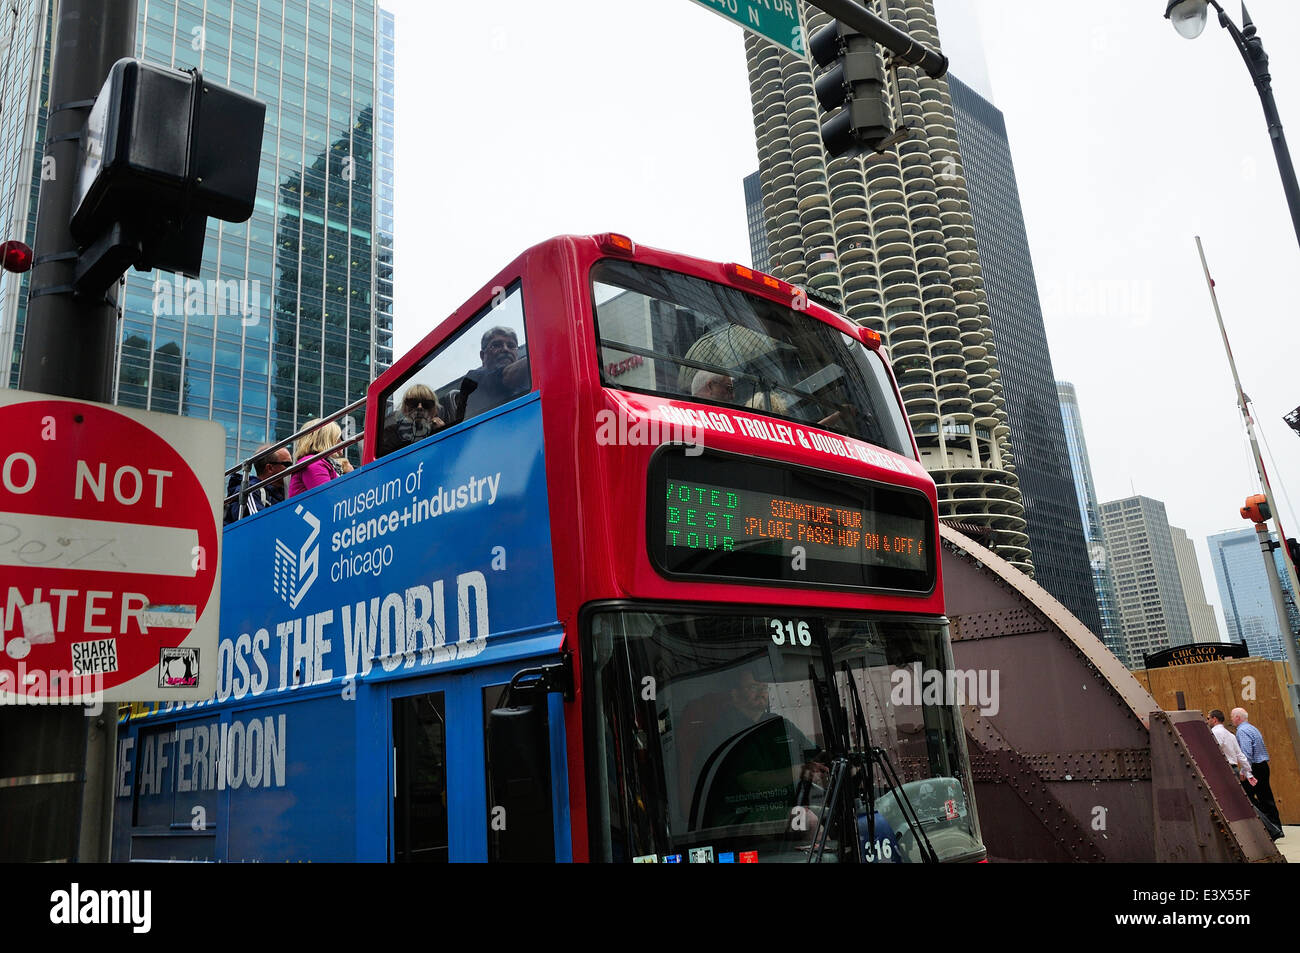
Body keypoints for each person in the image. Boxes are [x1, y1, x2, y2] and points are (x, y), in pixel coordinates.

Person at [460, 326, 529, 419]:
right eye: (496, 345)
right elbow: (508, 376)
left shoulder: (528, 380)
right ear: (482, 355)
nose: (505, 349)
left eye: (511, 346)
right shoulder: (473, 379)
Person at [1231, 707, 1281, 833]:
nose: (1231, 719)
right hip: (1263, 765)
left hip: (1254, 768)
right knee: (1266, 796)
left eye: (1232, 716)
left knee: (1246, 796)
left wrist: (1244, 771)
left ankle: (1267, 826)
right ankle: (1276, 826)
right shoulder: (1253, 728)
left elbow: (1247, 752)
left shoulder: (1241, 731)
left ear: (1238, 717)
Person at [224, 443, 290, 524]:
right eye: (287, 464)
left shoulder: (285, 493)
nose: (291, 468)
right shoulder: (250, 490)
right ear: (269, 468)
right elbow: (258, 524)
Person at [383, 383, 447, 451]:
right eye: (413, 403)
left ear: (433, 409)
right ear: (405, 408)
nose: (420, 407)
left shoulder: (438, 429)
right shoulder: (391, 433)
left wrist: (443, 432)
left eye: (426, 403)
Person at [289, 419, 343, 496]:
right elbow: (327, 498)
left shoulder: (322, 463)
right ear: (326, 439)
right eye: (339, 437)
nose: (342, 440)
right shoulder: (314, 464)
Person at [1208, 709, 1254, 785]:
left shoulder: (1214, 733)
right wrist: (1248, 771)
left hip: (1222, 770)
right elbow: (1240, 755)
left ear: (1214, 719)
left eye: (1208, 718)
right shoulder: (1231, 735)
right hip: (1234, 769)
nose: (1207, 721)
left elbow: (1214, 752)